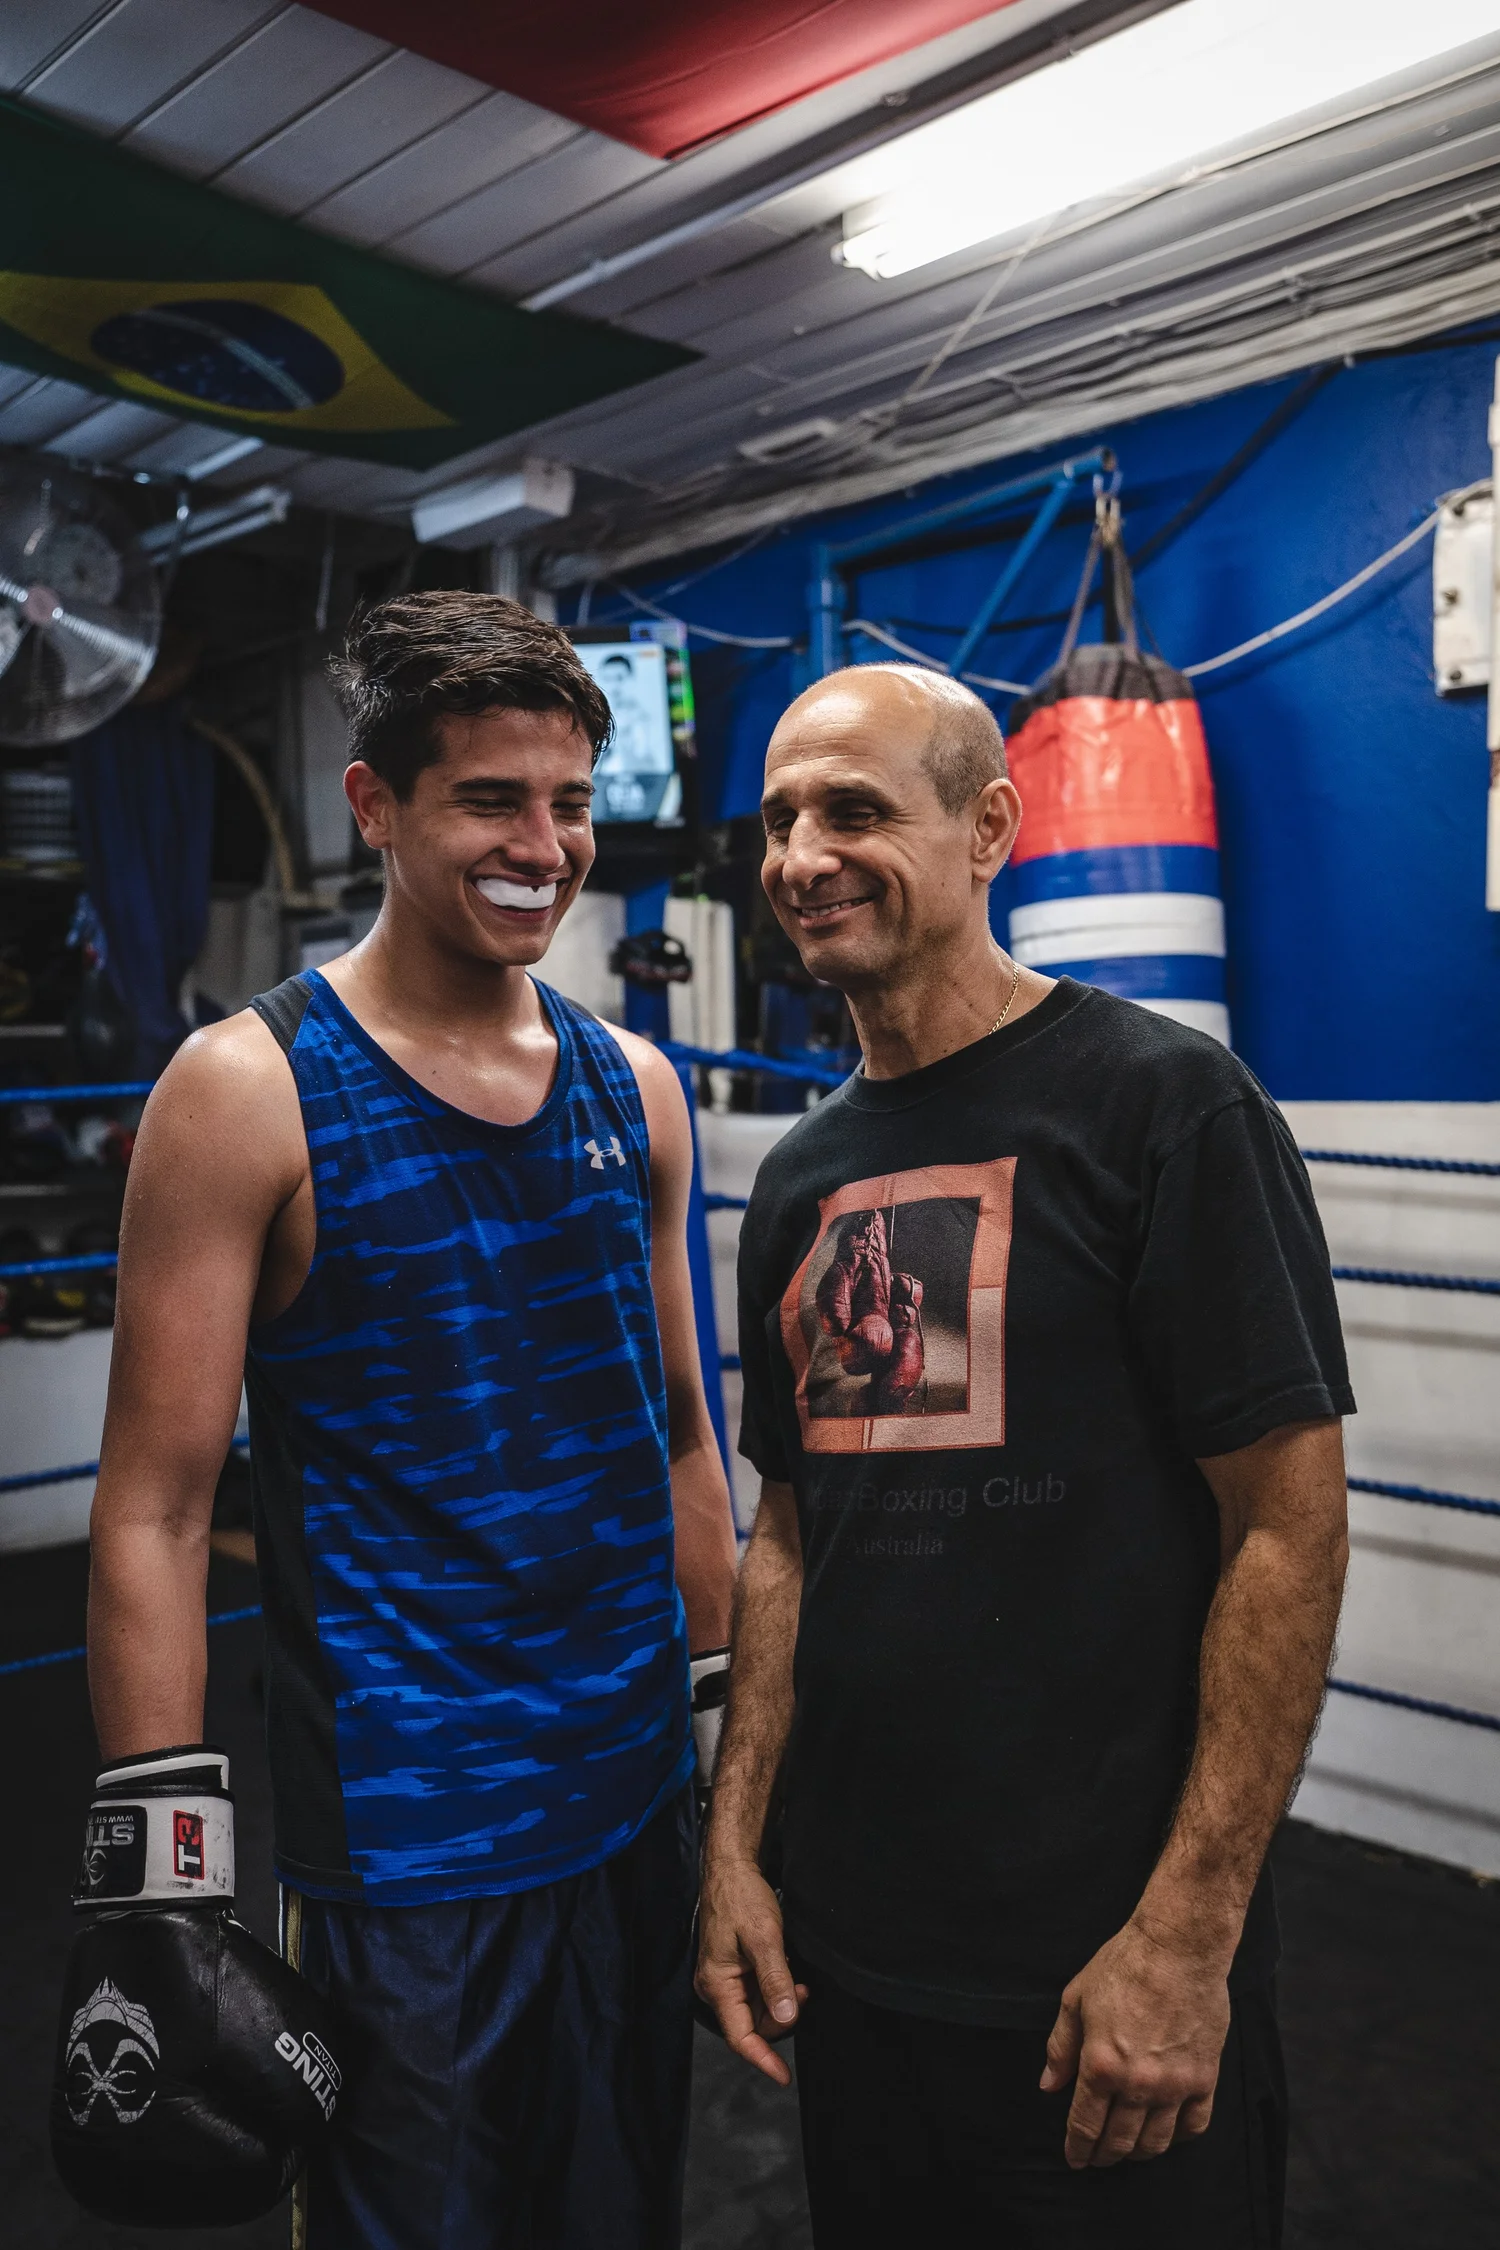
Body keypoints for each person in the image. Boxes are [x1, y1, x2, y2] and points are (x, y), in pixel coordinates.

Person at [85, 593, 738, 2249]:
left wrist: (738, 1749)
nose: (545, 844)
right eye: (491, 800)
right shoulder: (249, 1091)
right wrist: (159, 1896)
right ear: (376, 806)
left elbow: (676, 1435)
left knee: (620, 2217)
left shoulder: (635, 1093)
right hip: (410, 1847)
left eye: (571, 801)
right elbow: (155, 1509)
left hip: (634, 1804)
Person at [697, 663, 1352, 2249]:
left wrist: (1188, 1938)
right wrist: (731, 1850)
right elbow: (789, 1533)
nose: (801, 853)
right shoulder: (798, 1180)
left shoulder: (1163, 1107)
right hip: (857, 1968)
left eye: (855, 808)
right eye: (782, 816)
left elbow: (1288, 1527)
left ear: (989, 826)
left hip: (1096, 1978)